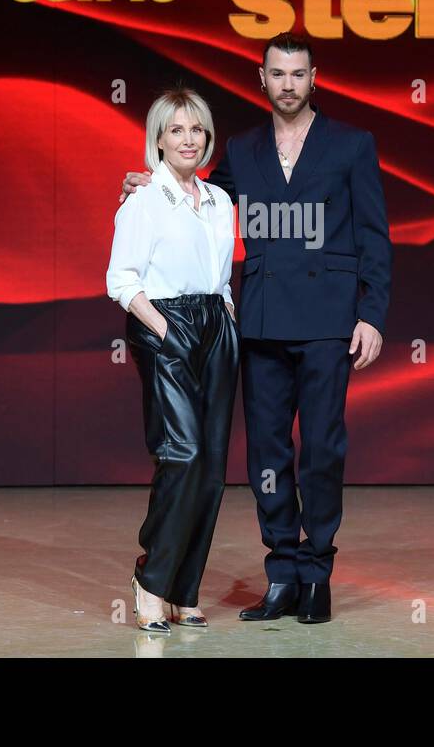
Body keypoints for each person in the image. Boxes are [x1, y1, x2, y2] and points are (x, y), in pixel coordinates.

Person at [119, 34, 392, 624]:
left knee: (321, 449)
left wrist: (372, 314)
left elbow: (374, 235)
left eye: (298, 74)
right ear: (260, 79)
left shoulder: (351, 145)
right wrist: (149, 182)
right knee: (266, 452)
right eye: (278, 73)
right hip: (263, 323)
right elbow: (199, 195)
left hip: (328, 321)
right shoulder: (242, 151)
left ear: (314, 78)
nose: (288, 84)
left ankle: (317, 572)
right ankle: (282, 572)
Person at [106, 87, 239, 633]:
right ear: (158, 139)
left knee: (210, 466)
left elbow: (222, 276)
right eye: (177, 130)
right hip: (164, 323)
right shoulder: (142, 201)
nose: (189, 139)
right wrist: (166, 331)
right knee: (180, 454)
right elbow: (120, 279)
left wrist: (225, 317)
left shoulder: (219, 203)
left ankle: (185, 588)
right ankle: (152, 578)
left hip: (216, 324)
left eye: (198, 130)